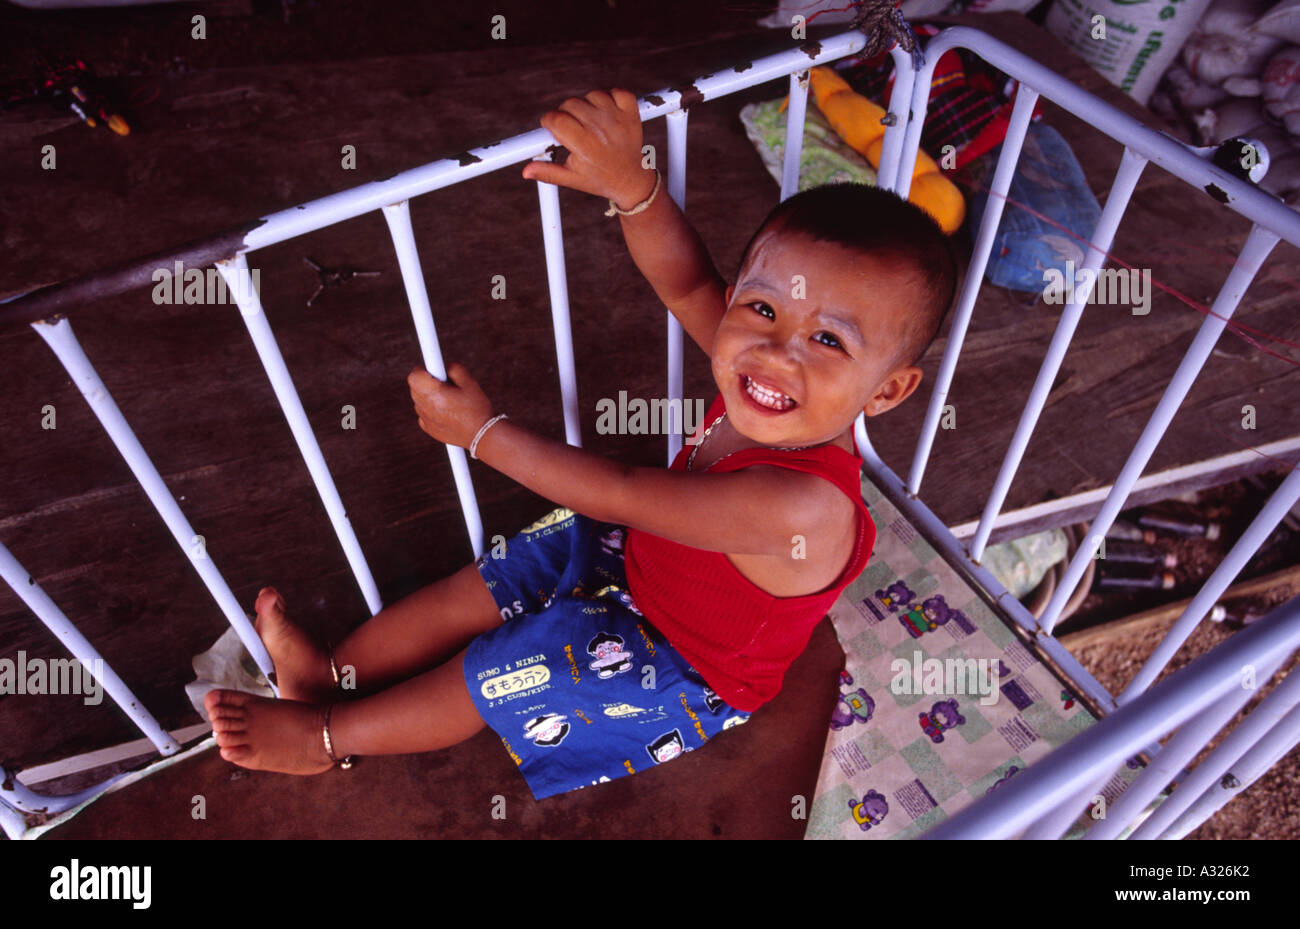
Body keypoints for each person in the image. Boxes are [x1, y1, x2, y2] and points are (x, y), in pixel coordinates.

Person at [205, 88, 959, 800]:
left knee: (505, 665)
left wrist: (484, 435)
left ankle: (331, 734)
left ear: (888, 390)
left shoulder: (802, 508)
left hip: (682, 666)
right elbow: (689, 283)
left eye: (828, 339)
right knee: (497, 574)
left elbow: (623, 490)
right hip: (644, 561)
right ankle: (332, 677)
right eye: (761, 306)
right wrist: (634, 188)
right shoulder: (770, 383)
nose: (775, 351)